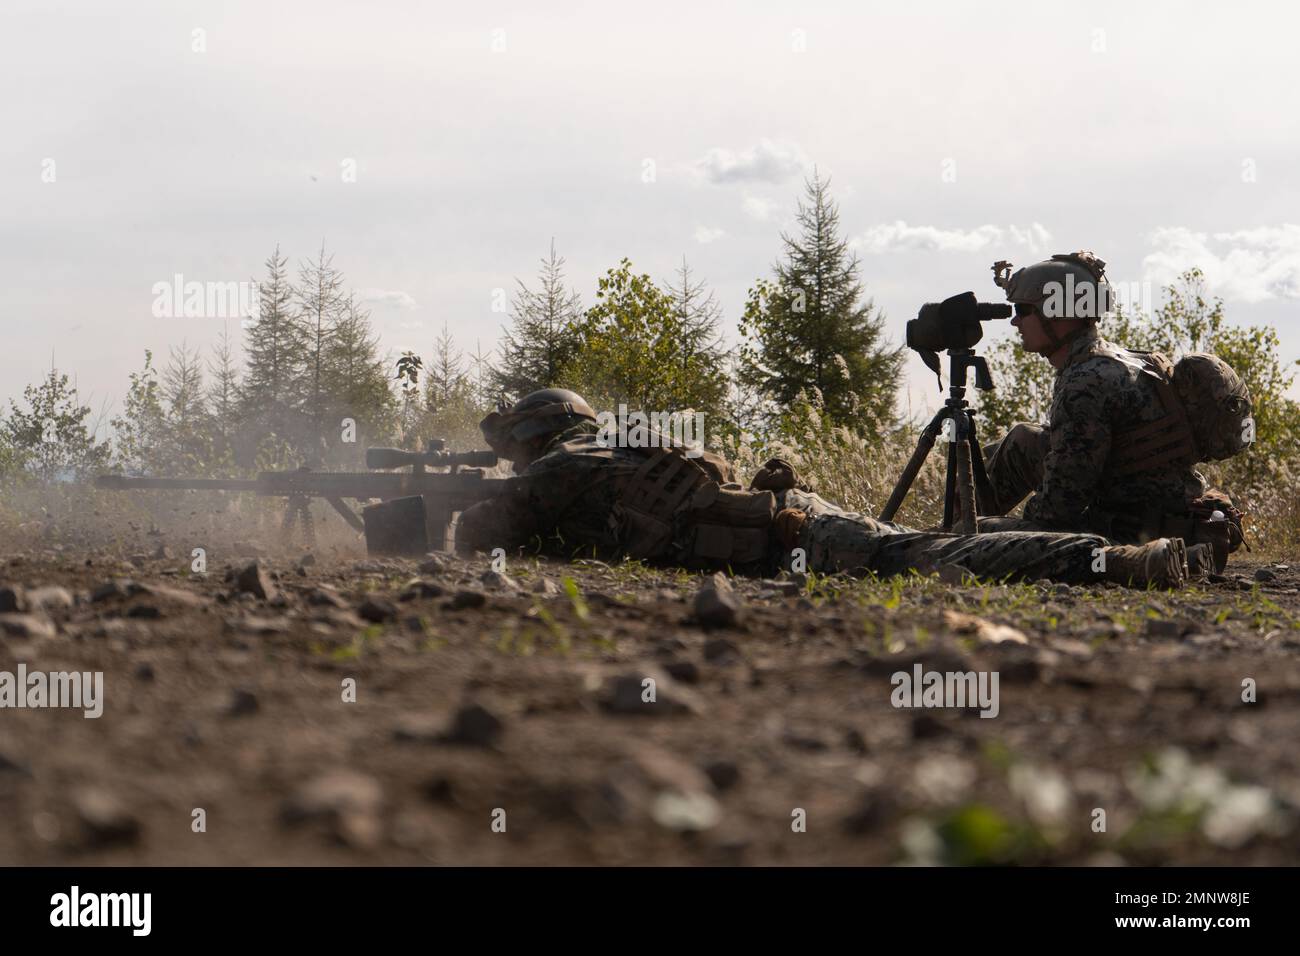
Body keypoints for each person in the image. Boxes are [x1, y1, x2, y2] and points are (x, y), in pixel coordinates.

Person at [455, 388, 1191, 588]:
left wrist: (462, 508)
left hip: (787, 538)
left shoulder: (569, 459)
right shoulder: (620, 437)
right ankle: (1113, 554)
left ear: (536, 434)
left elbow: (490, 527)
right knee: (927, 545)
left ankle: (1116, 562)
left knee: (925, 554)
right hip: (787, 520)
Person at [980, 251, 1244, 569]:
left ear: (1058, 314)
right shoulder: (1127, 359)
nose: (1015, 321)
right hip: (1165, 509)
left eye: (1023, 310)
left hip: (1128, 531)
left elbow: (1060, 508)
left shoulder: (1084, 381)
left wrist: (1004, 530)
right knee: (1024, 438)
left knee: (972, 534)